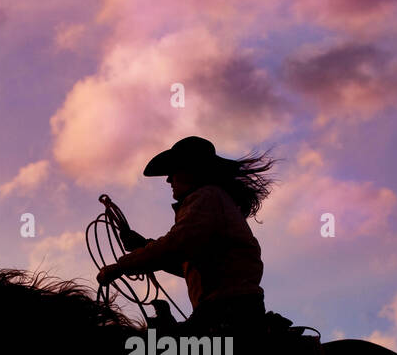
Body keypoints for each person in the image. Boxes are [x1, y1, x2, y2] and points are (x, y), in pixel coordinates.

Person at [96, 136, 274, 340]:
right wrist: (143, 246)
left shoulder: (206, 196)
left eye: (173, 172)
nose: (168, 179)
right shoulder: (215, 199)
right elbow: (189, 260)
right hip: (232, 309)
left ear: (191, 170)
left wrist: (120, 267)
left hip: (225, 312)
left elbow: (177, 244)